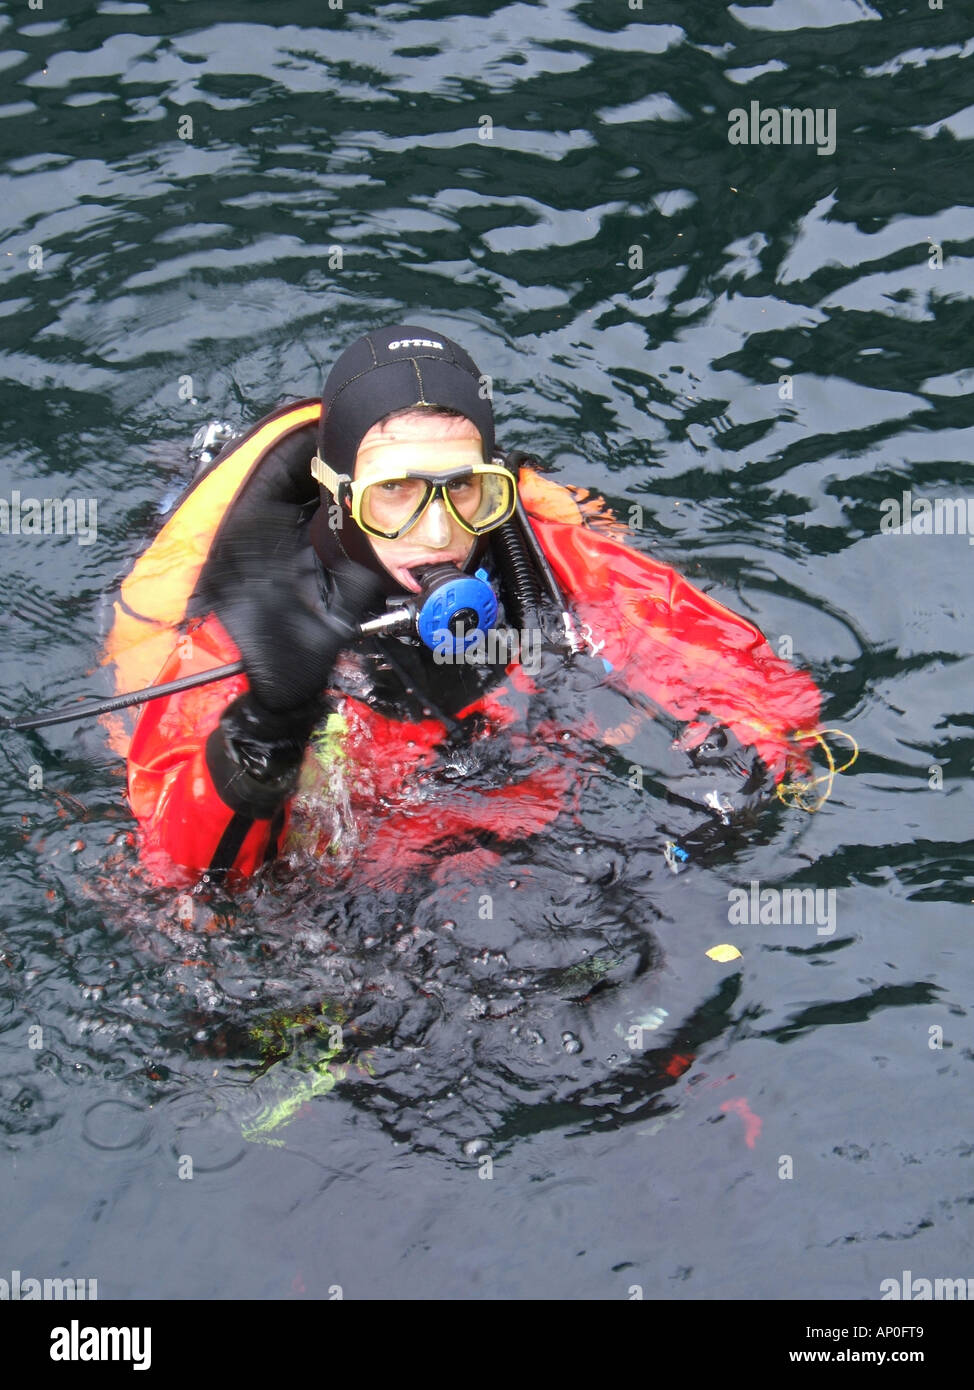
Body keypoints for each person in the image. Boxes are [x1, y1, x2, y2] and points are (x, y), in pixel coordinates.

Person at [104, 325, 822, 887]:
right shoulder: (254, 633)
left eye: (465, 488)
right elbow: (182, 883)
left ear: (495, 483)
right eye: (395, 491)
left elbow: (768, 693)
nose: (439, 531)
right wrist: (264, 734)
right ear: (336, 491)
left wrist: (715, 801)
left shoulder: (539, 555)